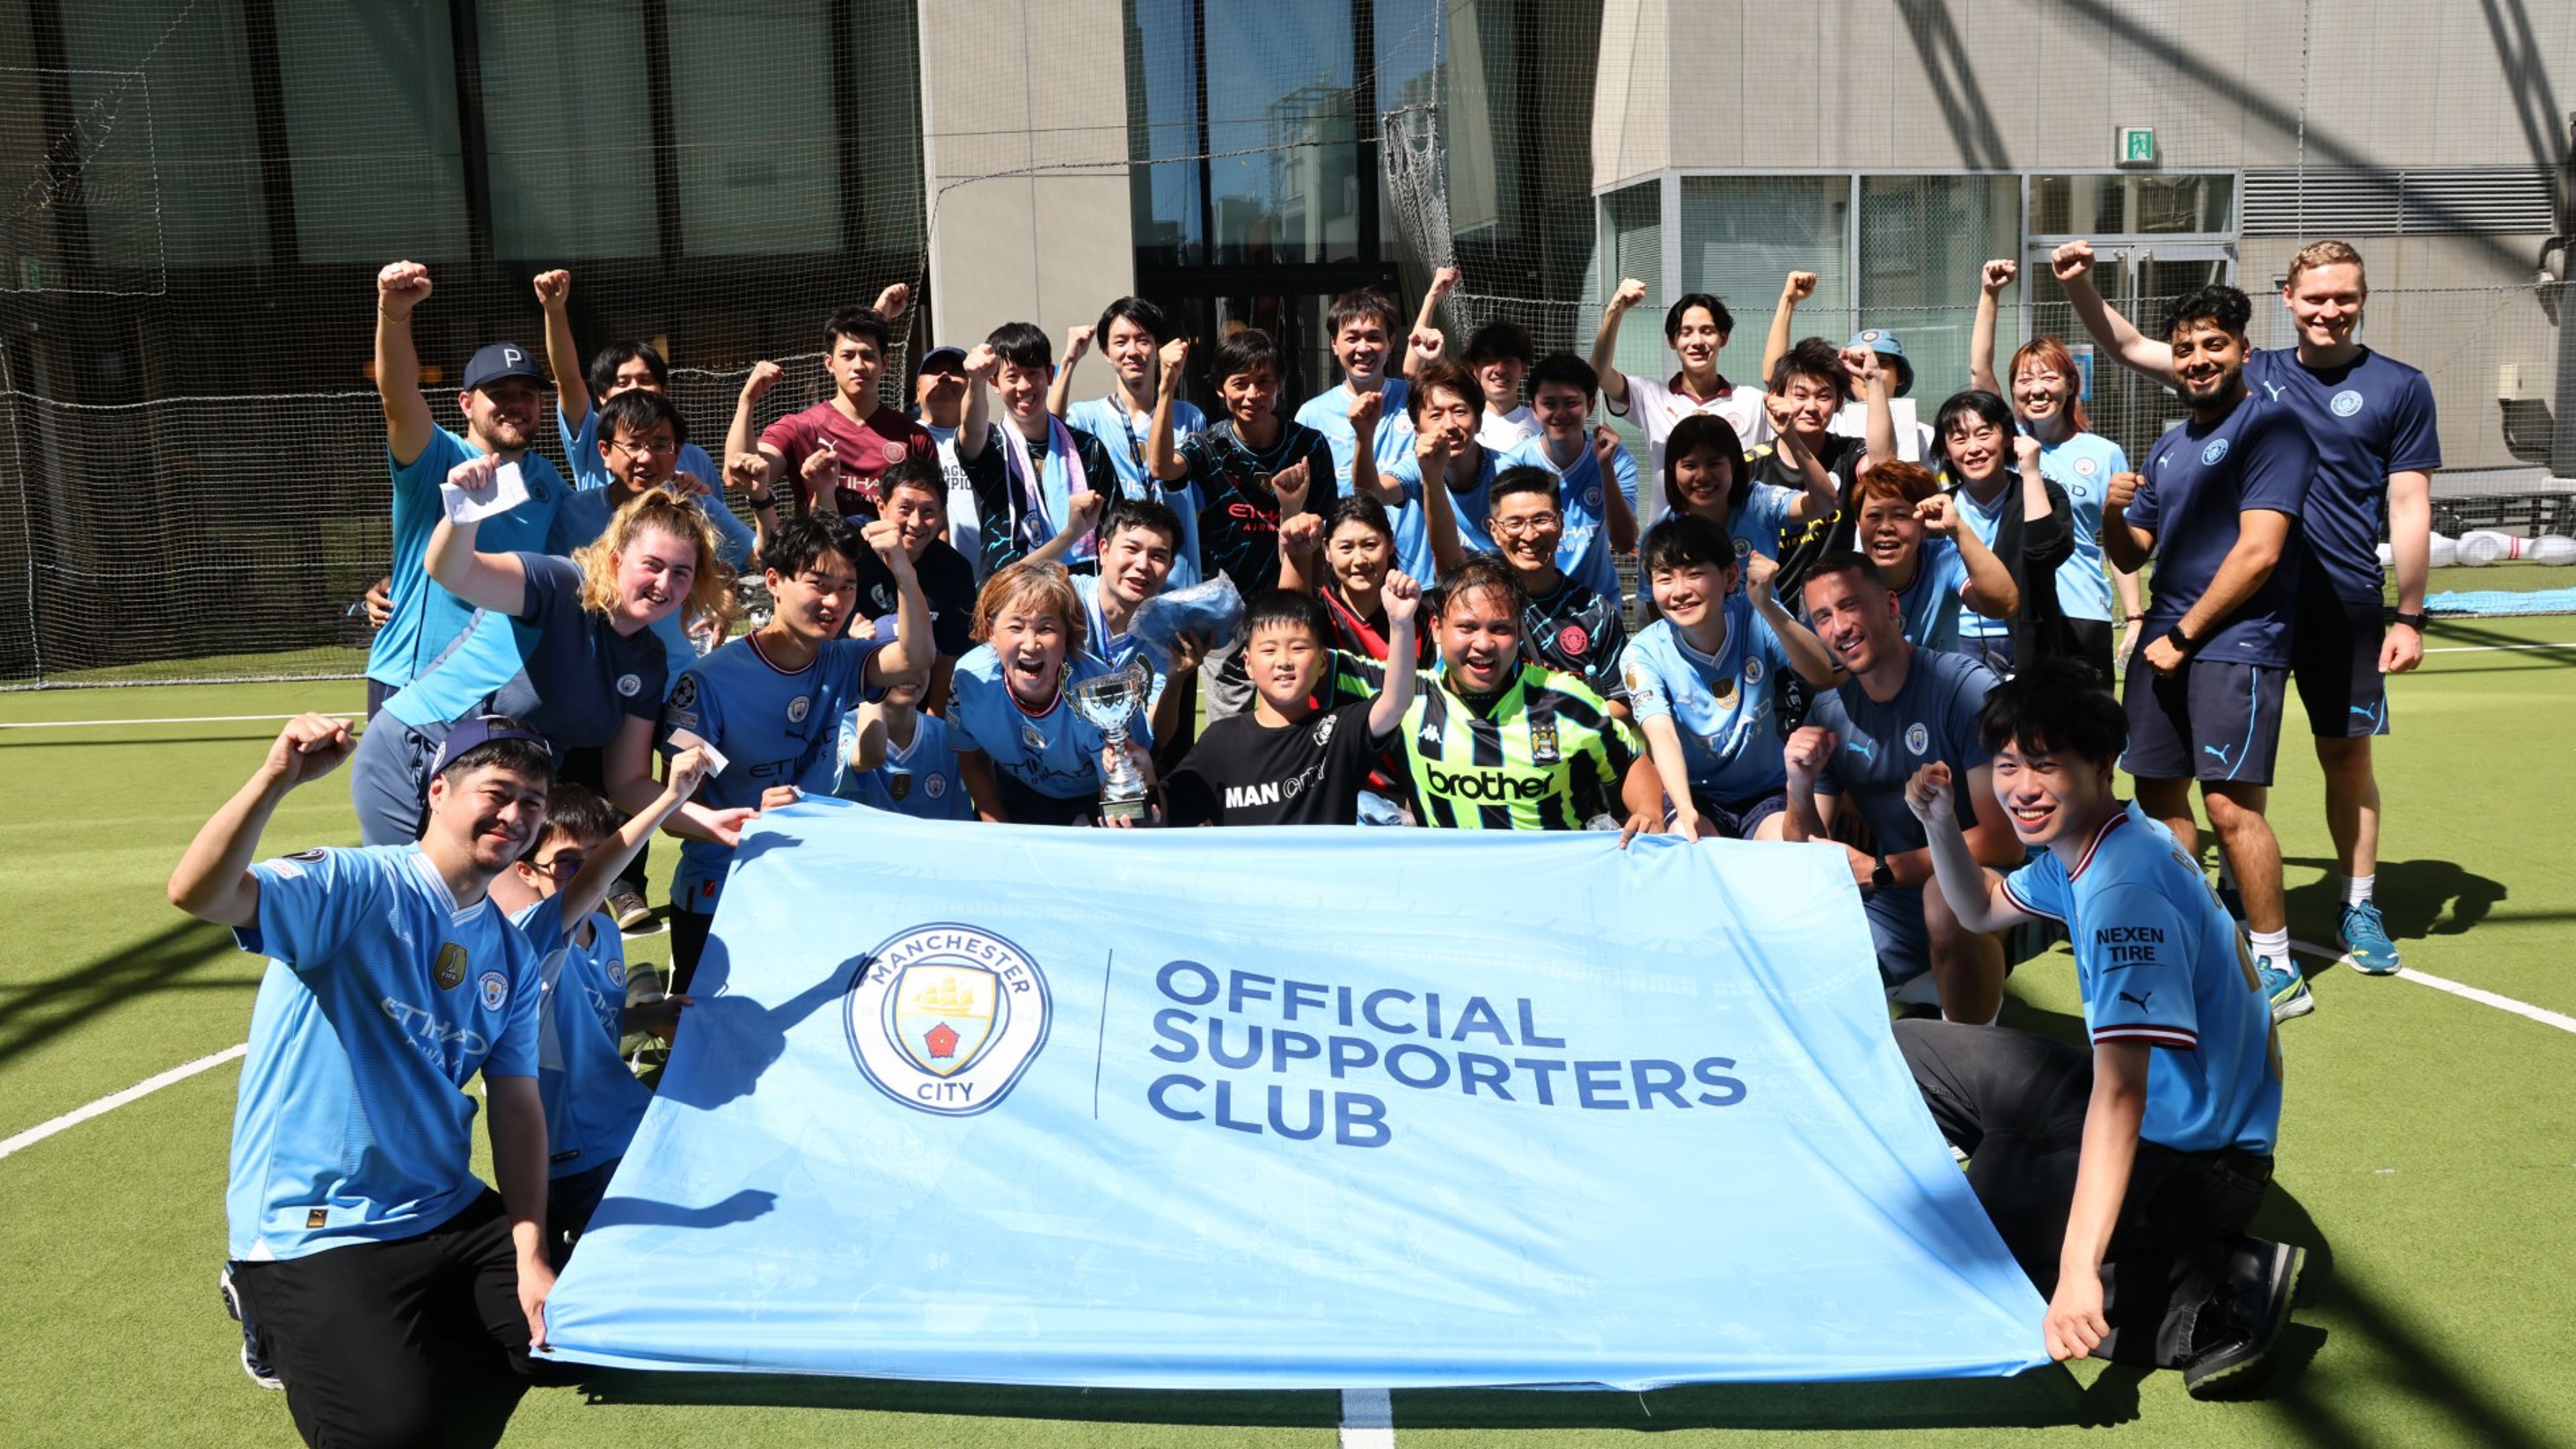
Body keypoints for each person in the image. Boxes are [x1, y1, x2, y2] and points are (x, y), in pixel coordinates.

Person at [1894, 658, 2300, 1398]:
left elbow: (2121, 1097)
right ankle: (2032, 1180)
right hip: (2156, 1116)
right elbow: (1980, 910)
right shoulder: (2088, 839)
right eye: (2009, 763)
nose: (2020, 787)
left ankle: (2211, 1290)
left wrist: (2081, 1270)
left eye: (2045, 764)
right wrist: (1939, 824)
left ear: (2102, 764)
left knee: (1964, 1248)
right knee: (1909, 1046)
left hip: (2200, 1161)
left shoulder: (2124, 888)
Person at [173, 713, 554, 1447]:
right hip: (315, 1225)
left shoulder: (509, 948)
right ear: (438, 790)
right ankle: (267, 1308)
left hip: (443, 1207)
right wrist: (274, 780)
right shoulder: (352, 883)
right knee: (389, 1433)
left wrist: (530, 1251)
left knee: (571, 1337)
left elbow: (517, 1108)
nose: (515, 815)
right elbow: (198, 892)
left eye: (533, 803)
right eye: (498, 792)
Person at [2058, 238, 2435, 979]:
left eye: (2344, 296)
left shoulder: (2399, 386)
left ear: (2363, 299)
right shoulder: (2243, 369)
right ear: (2286, 302)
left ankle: (2358, 902)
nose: (2330, 309)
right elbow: (2131, 344)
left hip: (2338, 596)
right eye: (2316, 296)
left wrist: (2409, 613)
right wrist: (2078, 286)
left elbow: (2408, 500)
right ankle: (2236, 896)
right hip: (2238, 612)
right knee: (2228, 783)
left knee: (2345, 756)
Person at [2095, 284, 2318, 1021]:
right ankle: (2195, 943)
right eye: (2186, 348)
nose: (2198, 360)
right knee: (2161, 802)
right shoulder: (2169, 444)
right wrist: (2111, 510)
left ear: (2244, 351)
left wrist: (2184, 636)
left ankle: (2278, 965)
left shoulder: (2274, 428)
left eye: (2214, 345)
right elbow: (2134, 549)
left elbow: (2259, 553)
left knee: (2230, 807)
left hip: (2233, 643)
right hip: (2164, 640)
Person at [349, 481, 735, 851]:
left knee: (506, 913)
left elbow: (627, 783)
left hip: (505, 789)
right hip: (418, 753)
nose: (664, 583)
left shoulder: (649, 661)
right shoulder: (557, 584)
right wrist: (463, 509)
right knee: (411, 903)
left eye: (680, 573)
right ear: (617, 559)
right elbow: (451, 571)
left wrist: (708, 820)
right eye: (651, 564)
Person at [656, 516, 926, 990]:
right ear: (775, 582)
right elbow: (670, 808)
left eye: (847, 587)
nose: (835, 601)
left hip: (808, 876)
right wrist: (751, 819)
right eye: (819, 584)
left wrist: (903, 571)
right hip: (721, 886)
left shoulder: (840, 661)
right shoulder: (709, 683)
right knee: (709, 1034)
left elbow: (914, 657)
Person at [1785, 553, 2019, 1022]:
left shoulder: (1961, 687)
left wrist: (1882, 870)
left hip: (1989, 897)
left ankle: (1971, 1054)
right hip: (1890, 907)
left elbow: (2004, 842)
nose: (1839, 628)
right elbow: (1805, 852)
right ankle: (1927, 985)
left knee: (1944, 898)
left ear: (1892, 607)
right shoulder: (1829, 711)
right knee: (1796, 958)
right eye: (1823, 617)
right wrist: (1799, 785)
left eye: (1851, 606)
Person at [483, 776, 699, 1254]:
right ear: (525, 871)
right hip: (574, 1150)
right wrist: (670, 797)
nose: (589, 873)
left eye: (600, 857)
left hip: (622, 1121)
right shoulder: (530, 936)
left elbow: (596, 1022)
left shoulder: (603, 927)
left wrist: (653, 1015)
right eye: (568, 863)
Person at [365, 260, 567, 716]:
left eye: (527, 393)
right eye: (499, 392)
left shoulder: (547, 480)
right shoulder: (436, 454)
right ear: (467, 403)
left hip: (507, 686)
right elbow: (397, 395)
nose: (515, 403)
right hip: (417, 680)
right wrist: (393, 313)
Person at [1397, 554, 1663, 833]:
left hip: (1555, 872)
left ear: (1519, 631)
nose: (1484, 643)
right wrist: (1396, 619)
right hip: (1450, 874)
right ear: (1437, 628)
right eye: (1468, 627)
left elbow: (1629, 762)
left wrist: (1648, 811)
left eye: (1500, 628)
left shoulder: (1564, 700)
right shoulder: (1404, 697)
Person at [1149, 329, 1338, 721]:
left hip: (1293, 599)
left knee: (1293, 708)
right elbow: (1162, 467)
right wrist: (1167, 385)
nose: (1253, 393)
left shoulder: (1310, 445)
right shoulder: (1207, 447)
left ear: (1281, 385)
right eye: (1240, 383)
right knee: (1228, 720)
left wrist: (1299, 512)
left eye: (1264, 381)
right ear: (1221, 390)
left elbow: (1326, 528)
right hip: (1227, 606)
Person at [1969, 259, 2143, 679]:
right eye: (2024, 381)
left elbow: (2119, 543)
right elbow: (1980, 370)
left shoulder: (2104, 453)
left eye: (2048, 377)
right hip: (2019, 614)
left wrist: (2135, 617)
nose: (2036, 389)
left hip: (2085, 611)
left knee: (2090, 735)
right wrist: (1990, 294)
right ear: (2012, 392)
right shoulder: (2006, 443)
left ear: (2070, 384)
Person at [533, 267, 767, 567]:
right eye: (622, 382)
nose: (645, 458)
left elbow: (720, 546)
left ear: (663, 390)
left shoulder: (695, 459)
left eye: (645, 380)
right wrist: (554, 310)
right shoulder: (592, 436)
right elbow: (568, 379)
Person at [1622, 516, 1837, 839]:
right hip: (1695, 795)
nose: (1679, 592)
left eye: (1695, 574)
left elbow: (1820, 673)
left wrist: (1768, 606)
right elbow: (1661, 733)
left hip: (1768, 793)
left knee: (1787, 855)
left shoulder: (1758, 617)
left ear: (1730, 576)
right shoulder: (1642, 653)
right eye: (1664, 578)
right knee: (1686, 843)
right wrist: (1685, 809)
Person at [1161, 580, 1421, 827]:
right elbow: (1164, 812)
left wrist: (1401, 623)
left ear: (1322, 662)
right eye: (1269, 650)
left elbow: (1395, 702)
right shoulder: (1220, 741)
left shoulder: (1339, 732)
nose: (1284, 661)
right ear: (1248, 664)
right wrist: (1138, 770)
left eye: (1298, 648)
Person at [949, 559, 1155, 826]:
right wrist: (999, 831)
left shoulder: (1100, 693)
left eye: (1046, 628)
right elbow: (973, 758)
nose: (1031, 644)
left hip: (1091, 799)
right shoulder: (969, 679)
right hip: (1017, 793)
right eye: (1016, 627)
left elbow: (1116, 790)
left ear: (1067, 636)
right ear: (991, 631)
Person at [728, 295, 933, 523]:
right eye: (847, 356)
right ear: (829, 363)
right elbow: (739, 477)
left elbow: (935, 519)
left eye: (868, 356)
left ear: (885, 363)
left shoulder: (915, 437)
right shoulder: (800, 427)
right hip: (820, 556)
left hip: (892, 558)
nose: (858, 365)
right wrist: (747, 401)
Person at [1054, 296, 1210, 588]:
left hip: (1178, 578)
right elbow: (1048, 434)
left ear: (1158, 347)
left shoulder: (1190, 418)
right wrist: (1070, 360)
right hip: (1119, 578)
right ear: (1105, 351)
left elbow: (1199, 505)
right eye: (1121, 342)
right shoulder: (1087, 417)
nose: (1132, 351)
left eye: (1142, 340)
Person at [1929, 388, 2077, 676]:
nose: (1973, 448)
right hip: (1956, 642)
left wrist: (2032, 473)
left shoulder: (2043, 492)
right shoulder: (1940, 508)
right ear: (1947, 451)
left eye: (1984, 434)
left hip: (2026, 644)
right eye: (1959, 439)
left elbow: (2046, 552)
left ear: (2009, 437)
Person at [955, 323, 1122, 577]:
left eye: (1033, 373)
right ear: (994, 383)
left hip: (1078, 595)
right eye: (1012, 376)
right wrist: (975, 383)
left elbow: (1116, 525)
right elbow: (973, 430)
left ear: (1050, 375)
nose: (1024, 386)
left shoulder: (1088, 448)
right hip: (1011, 599)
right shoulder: (991, 447)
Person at [1057, 500, 1206, 756]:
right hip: (1050, 766)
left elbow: (1155, 736)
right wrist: (1071, 534)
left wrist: (1176, 679)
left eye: (1158, 555)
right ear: (1103, 550)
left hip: (1119, 766)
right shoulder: (1066, 596)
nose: (1143, 564)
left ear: (1170, 567)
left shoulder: (1164, 634)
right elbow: (1005, 593)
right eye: (1131, 549)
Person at [1482, 465, 1629, 707]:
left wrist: (1566, 731)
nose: (1529, 535)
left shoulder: (1597, 612)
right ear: (1495, 531)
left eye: (1541, 520)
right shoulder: (1478, 607)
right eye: (1515, 523)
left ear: (1560, 523)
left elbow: (1621, 700)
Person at [1499, 352, 1638, 601]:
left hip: (1599, 606)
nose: (1560, 413)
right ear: (1533, 408)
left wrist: (1605, 468)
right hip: (1534, 608)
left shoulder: (1616, 459)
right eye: (1550, 404)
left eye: (1571, 402)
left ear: (1590, 405)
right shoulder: (1512, 465)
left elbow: (1624, 541)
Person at [1592, 279, 1770, 472]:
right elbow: (1598, 374)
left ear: (1723, 338)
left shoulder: (1753, 401)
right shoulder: (1649, 395)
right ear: (1672, 341)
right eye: (1686, 333)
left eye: (1707, 331)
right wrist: (1614, 311)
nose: (1697, 341)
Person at [1846, 461, 2018, 655]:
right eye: (1874, 516)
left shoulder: (1945, 558)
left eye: (1900, 515)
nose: (1885, 527)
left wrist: (1959, 530)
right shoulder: (1843, 580)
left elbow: (2005, 604)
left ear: (1924, 525)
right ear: (1858, 523)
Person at [1760, 273, 1936, 461]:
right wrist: (1788, 301)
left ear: (1900, 375)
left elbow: (1882, 464)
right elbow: (1775, 376)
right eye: (1857, 365)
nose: (1867, 371)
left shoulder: (1925, 435)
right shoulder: (1830, 422)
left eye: (1881, 363)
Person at [1381, 357, 1500, 582]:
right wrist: (1364, 436)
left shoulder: (1508, 470)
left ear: (1479, 422)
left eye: (1460, 411)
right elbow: (1374, 492)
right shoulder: (1416, 467)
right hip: (1442, 589)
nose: (1449, 425)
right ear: (1417, 430)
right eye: (1436, 415)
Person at [1294, 288, 1416, 489]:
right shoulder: (1311, 415)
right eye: (1352, 338)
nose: (1363, 348)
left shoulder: (1416, 399)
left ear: (1391, 342)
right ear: (1334, 344)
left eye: (1373, 337)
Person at [831, 666, 970, 821]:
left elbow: (961, 824)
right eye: (897, 664)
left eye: (920, 662)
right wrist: (870, 685)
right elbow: (867, 757)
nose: (910, 673)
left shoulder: (949, 736)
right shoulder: (840, 728)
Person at [912, 344, 992, 581]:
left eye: (955, 371)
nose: (944, 376)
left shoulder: (996, 440)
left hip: (993, 580)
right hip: (927, 583)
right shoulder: (902, 440)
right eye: (935, 371)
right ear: (917, 392)